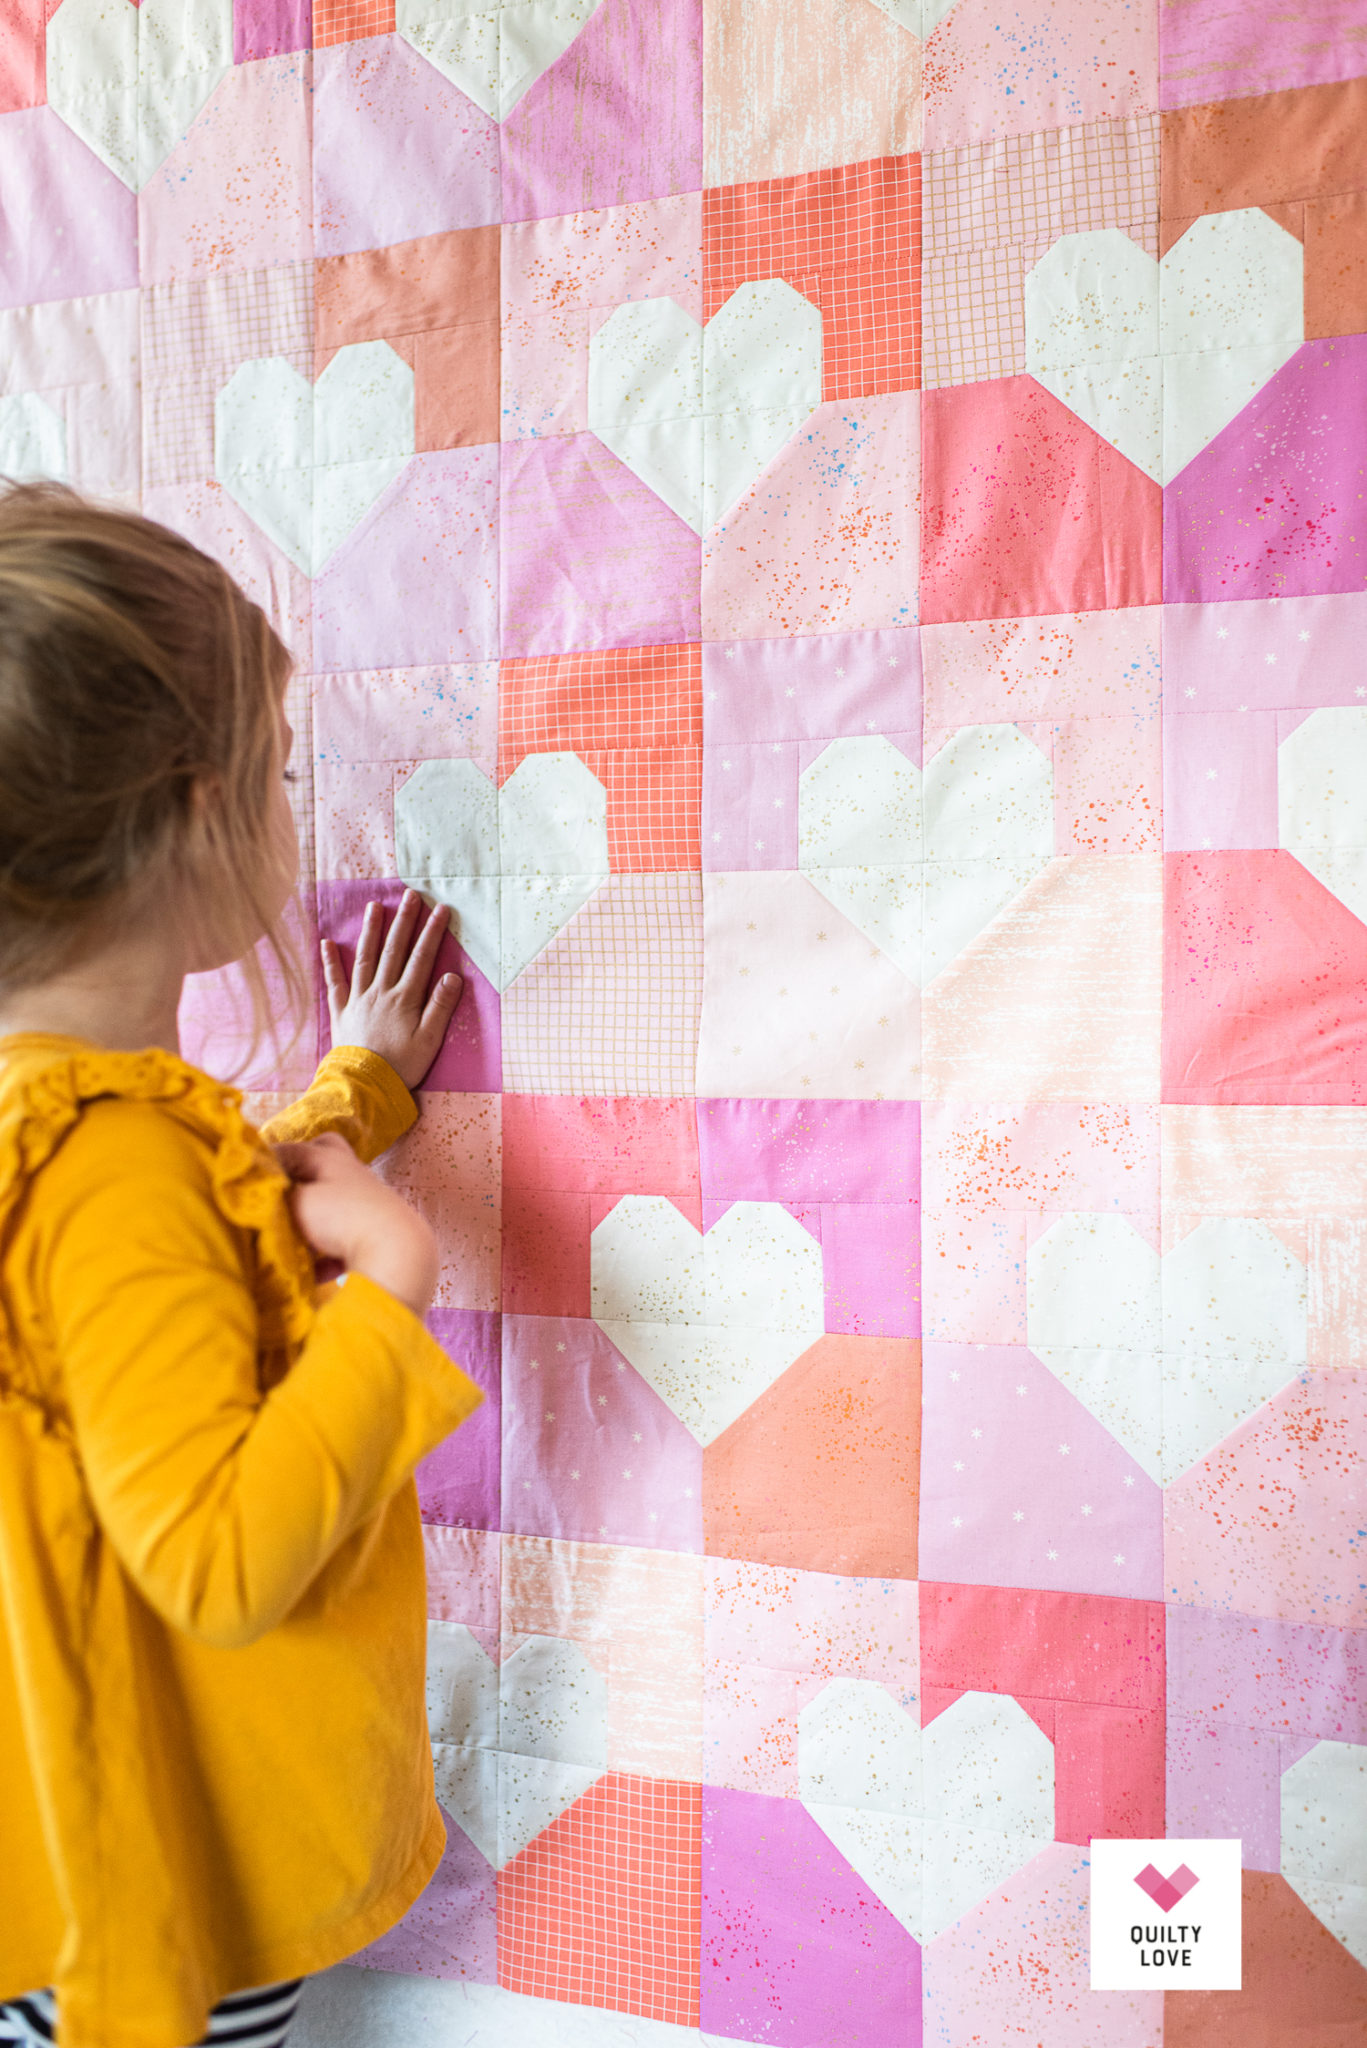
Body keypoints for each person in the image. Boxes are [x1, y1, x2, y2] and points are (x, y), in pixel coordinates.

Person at [0, 485, 484, 2048]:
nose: (295, 807)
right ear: (203, 813)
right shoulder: (108, 1163)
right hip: (151, 1909)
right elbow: (216, 1567)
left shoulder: (54, 1124)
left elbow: (174, 1256)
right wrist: (392, 1285)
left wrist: (355, 1102)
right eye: (283, 777)